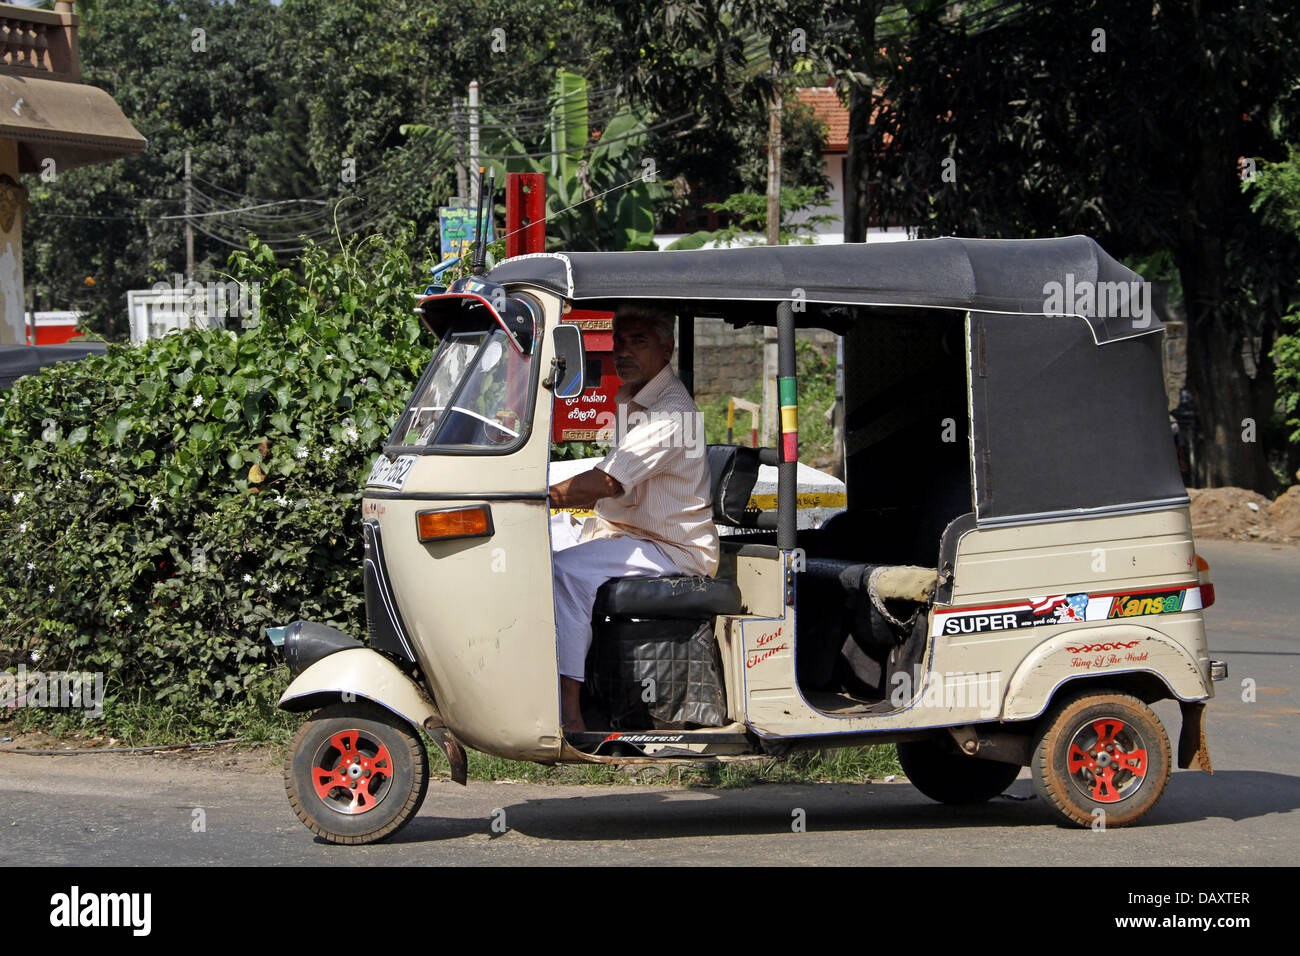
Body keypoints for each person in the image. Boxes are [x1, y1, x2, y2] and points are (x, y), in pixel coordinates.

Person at [547, 303, 719, 732]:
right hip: (626, 532)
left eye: (638, 341)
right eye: (619, 340)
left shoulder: (672, 415)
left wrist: (539, 496)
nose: (623, 351)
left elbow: (607, 483)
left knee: (565, 572)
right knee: (532, 545)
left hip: (673, 548)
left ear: (666, 348)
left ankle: (570, 715)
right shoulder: (634, 399)